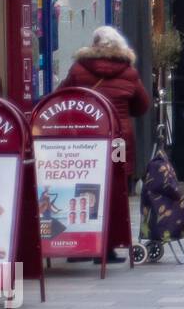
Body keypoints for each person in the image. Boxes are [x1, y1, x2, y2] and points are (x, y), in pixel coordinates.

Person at [60, 26, 151, 262]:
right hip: (118, 140)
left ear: (94, 44)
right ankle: (108, 248)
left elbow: (62, 97)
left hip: (86, 137)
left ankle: (82, 245)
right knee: (115, 190)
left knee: (83, 187)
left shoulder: (79, 69)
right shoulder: (128, 72)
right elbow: (142, 106)